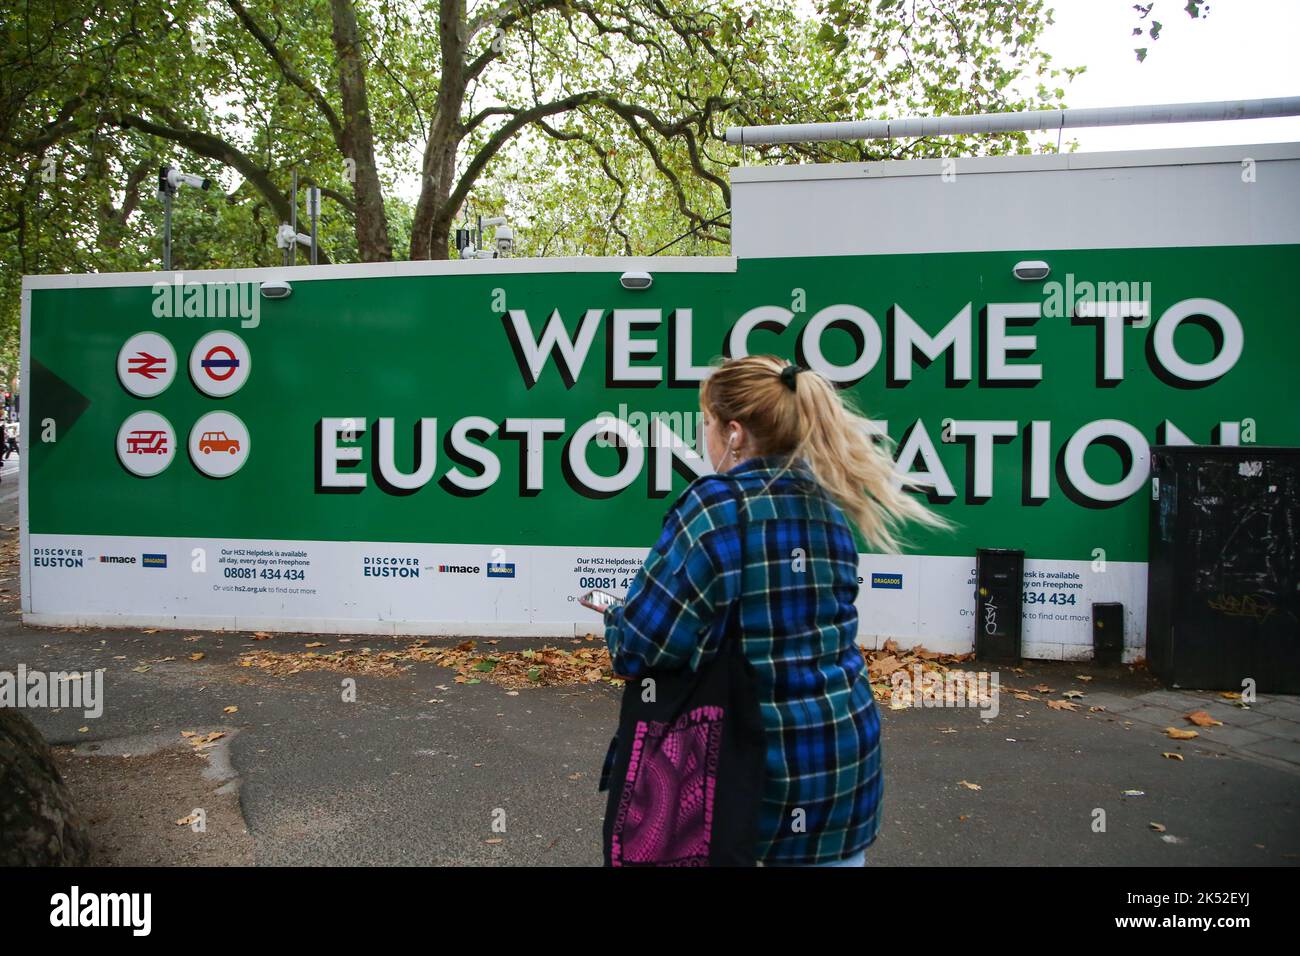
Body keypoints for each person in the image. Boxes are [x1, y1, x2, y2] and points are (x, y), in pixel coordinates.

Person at [597, 355, 948, 866]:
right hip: (843, 771)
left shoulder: (716, 506)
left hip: (747, 782)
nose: (707, 440)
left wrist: (615, 615)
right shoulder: (830, 504)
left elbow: (641, 647)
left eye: (709, 426)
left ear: (734, 432)